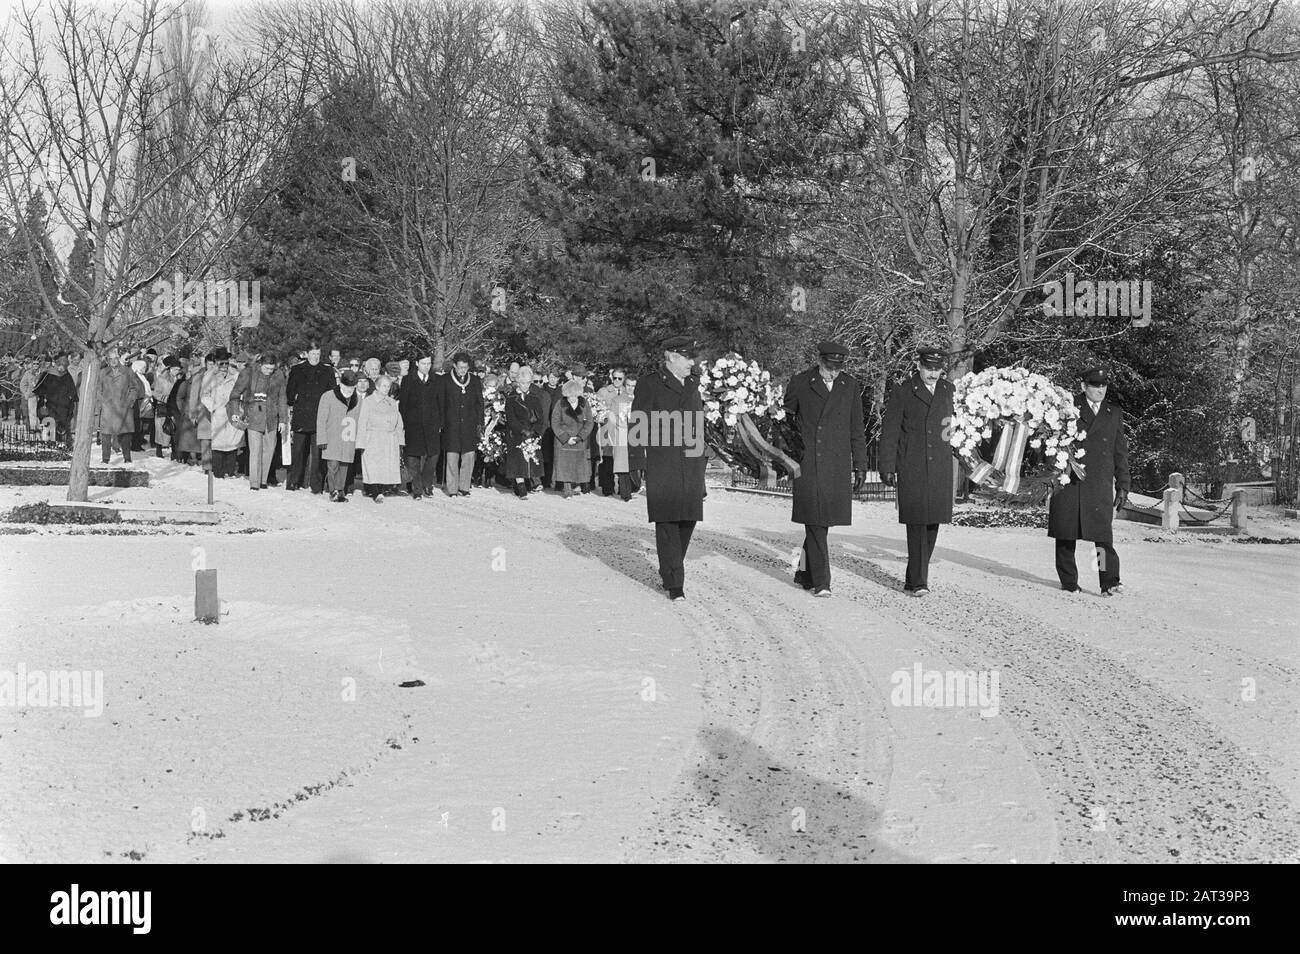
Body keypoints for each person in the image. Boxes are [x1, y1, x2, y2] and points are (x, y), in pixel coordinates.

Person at [782, 341, 869, 597]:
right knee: (816, 520)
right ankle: (822, 581)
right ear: (820, 361)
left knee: (821, 520)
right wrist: (789, 455)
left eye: (838, 368)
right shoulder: (800, 382)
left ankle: (803, 571)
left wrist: (861, 465)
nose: (833, 372)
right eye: (830, 367)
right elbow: (784, 423)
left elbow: (857, 428)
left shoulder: (849, 385)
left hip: (837, 463)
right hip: (808, 461)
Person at [632, 336, 708, 601]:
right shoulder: (649, 384)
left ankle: (670, 569)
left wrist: (702, 474)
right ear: (673, 357)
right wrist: (635, 465)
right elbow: (637, 425)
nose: (692, 362)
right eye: (687, 357)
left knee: (688, 520)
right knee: (667, 522)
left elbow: (698, 427)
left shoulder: (693, 384)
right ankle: (675, 583)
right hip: (662, 462)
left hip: (691, 463)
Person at [879, 347, 957, 596]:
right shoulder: (904, 391)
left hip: (940, 466)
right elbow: (890, 430)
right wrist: (887, 466)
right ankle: (920, 581)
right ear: (919, 366)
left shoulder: (949, 391)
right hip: (912, 464)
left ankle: (913, 577)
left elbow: (956, 425)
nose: (933, 374)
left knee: (934, 522)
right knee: (916, 523)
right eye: (929, 369)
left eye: (937, 369)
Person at [1049, 368, 1131, 596]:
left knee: (1101, 539)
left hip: (1099, 483)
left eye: (1103, 386)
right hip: (1070, 480)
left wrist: (1123, 484)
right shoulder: (1068, 408)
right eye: (1095, 386)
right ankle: (1068, 581)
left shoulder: (1112, 413)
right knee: (1066, 534)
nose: (1100, 390)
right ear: (1084, 387)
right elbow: (1050, 442)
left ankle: (1108, 582)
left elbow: (1120, 452)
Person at [228, 351, 288, 490]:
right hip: (254, 415)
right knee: (255, 450)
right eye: (266, 368)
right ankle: (254, 483)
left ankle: (263, 480)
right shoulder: (248, 373)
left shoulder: (278, 375)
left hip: (272, 417)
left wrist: (283, 420)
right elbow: (235, 394)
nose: (268, 371)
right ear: (260, 364)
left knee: (269, 449)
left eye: (271, 369)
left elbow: (282, 398)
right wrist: (236, 412)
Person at [286, 343, 335, 493]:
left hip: (319, 417)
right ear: (307, 354)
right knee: (298, 452)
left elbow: (332, 393)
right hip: (302, 415)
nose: (315, 357)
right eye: (313, 354)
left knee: (317, 454)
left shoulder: (327, 371)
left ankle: (316, 485)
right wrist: (294, 401)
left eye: (318, 354)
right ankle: (294, 481)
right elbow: (290, 393)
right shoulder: (297, 370)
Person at [399, 353, 443, 499]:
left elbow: (441, 403)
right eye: (424, 363)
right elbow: (403, 404)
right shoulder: (408, 380)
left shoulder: (436, 380)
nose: (427, 366)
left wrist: (440, 423)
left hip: (432, 425)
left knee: (433, 455)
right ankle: (417, 489)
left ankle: (427, 484)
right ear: (417, 363)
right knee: (413, 458)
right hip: (413, 425)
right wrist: (403, 424)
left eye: (429, 363)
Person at [356, 373, 405, 502]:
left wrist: (400, 441)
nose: (386, 389)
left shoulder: (392, 402)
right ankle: (375, 492)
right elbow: (362, 422)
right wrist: (360, 443)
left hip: (389, 439)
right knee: (374, 466)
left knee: (386, 465)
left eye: (388, 386)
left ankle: (382, 489)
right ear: (377, 387)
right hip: (373, 438)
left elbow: (398, 423)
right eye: (383, 386)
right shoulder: (368, 402)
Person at [441, 351, 483, 497]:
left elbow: (480, 404)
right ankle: (452, 488)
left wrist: (480, 423)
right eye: (460, 367)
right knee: (452, 457)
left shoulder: (475, 380)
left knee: (469, 456)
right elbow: (441, 403)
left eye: (465, 367)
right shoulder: (445, 380)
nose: (463, 370)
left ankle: (464, 486)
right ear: (454, 365)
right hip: (451, 425)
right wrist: (442, 423)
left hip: (469, 425)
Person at [317, 370, 362, 502]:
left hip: (349, 438)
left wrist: (359, 441)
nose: (349, 390)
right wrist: (322, 439)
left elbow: (359, 419)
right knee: (333, 465)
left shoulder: (357, 399)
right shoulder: (328, 396)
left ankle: (340, 489)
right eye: (347, 387)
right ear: (341, 384)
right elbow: (321, 419)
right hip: (332, 437)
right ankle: (333, 490)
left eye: (352, 388)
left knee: (344, 466)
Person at [201, 348, 244, 478]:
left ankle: (230, 471)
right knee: (218, 442)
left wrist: (239, 406)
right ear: (216, 363)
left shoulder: (235, 375)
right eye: (222, 364)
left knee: (233, 441)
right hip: (218, 413)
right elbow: (204, 394)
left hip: (233, 412)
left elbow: (242, 390)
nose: (224, 366)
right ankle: (218, 471)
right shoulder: (209, 376)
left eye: (226, 363)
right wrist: (212, 407)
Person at [504, 364, 545, 497]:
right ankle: (520, 483)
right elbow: (511, 418)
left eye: (528, 383)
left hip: (532, 433)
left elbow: (540, 418)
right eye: (522, 383)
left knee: (530, 460)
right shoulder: (511, 398)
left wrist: (534, 431)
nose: (525, 386)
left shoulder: (535, 397)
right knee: (517, 459)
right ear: (517, 382)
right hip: (517, 433)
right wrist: (522, 430)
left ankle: (528, 482)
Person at [95, 346, 142, 463]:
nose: (113, 361)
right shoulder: (102, 373)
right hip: (108, 408)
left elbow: (135, 388)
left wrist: (129, 401)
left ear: (119, 358)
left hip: (123, 408)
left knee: (125, 435)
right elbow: (97, 389)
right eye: (110, 359)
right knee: (106, 435)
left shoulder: (127, 371)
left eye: (115, 358)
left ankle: (127, 459)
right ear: (107, 360)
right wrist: (103, 402)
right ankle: (105, 459)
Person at [595, 368, 636, 499]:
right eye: (615, 378)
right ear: (611, 378)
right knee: (607, 458)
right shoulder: (603, 391)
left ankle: (623, 489)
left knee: (623, 460)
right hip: (608, 428)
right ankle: (607, 487)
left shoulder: (629, 392)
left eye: (620, 378)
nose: (617, 381)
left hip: (624, 431)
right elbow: (597, 408)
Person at [552, 379, 596, 498]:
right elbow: (555, 422)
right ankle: (567, 489)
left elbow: (589, 422)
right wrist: (566, 438)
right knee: (564, 465)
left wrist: (580, 436)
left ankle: (576, 486)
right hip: (563, 440)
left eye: (574, 395)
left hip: (579, 439)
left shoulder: (584, 403)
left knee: (578, 465)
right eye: (569, 395)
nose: (572, 398)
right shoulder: (560, 403)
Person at [34, 355, 78, 444]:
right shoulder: (48, 374)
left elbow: (72, 390)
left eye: (64, 365)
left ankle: (63, 442)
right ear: (57, 364)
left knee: (63, 425)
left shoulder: (67, 375)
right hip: (51, 405)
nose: (62, 368)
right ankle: (51, 442)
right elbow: (39, 388)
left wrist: (72, 398)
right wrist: (43, 397)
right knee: (50, 424)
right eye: (60, 365)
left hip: (63, 406)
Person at [188, 352, 216, 470]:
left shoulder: (219, 375)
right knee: (205, 439)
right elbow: (194, 396)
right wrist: (193, 414)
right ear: (206, 364)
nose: (212, 366)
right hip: (203, 410)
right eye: (210, 364)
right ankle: (207, 465)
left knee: (216, 438)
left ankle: (215, 464)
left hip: (216, 411)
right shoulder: (199, 377)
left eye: (214, 364)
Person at [130, 357, 154, 452]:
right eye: (143, 367)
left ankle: (139, 442)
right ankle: (135, 444)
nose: (145, 369)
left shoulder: (143, 377)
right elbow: (136, 389)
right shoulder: (135, 377)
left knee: (143, 424)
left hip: (145, 401)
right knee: (138, 425)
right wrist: (144, 394)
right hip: (138, 402)